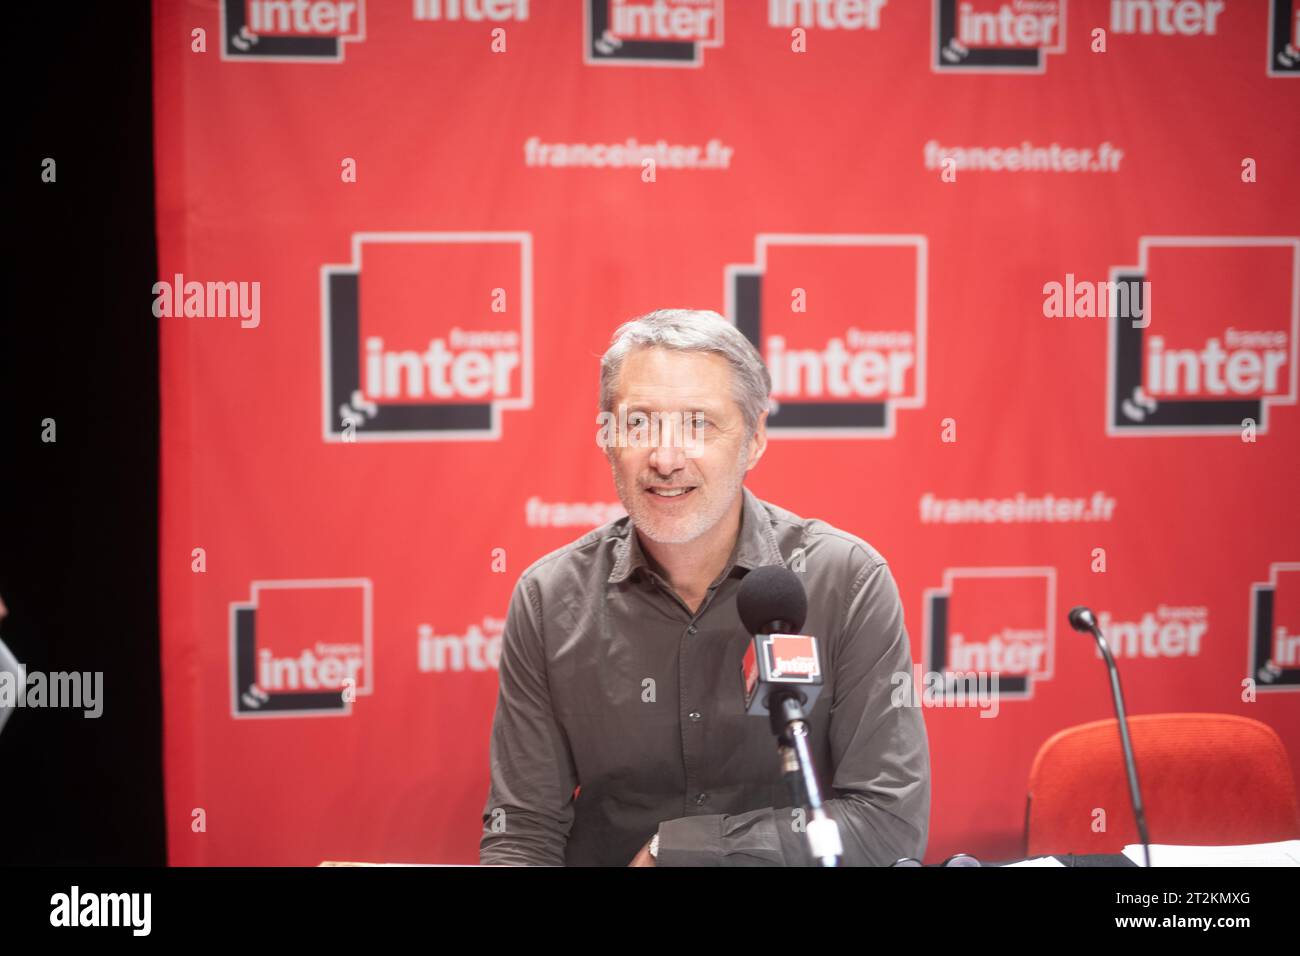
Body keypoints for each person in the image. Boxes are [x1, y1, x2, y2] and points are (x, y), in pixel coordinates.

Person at [479, 308, 930, 866]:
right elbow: (523, 832)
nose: (666, 458)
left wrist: (678, 851)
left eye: (698, 424)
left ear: (755, 440)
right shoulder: (549, 600)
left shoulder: (847, 582)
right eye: (639, 423)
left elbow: (888, 823)